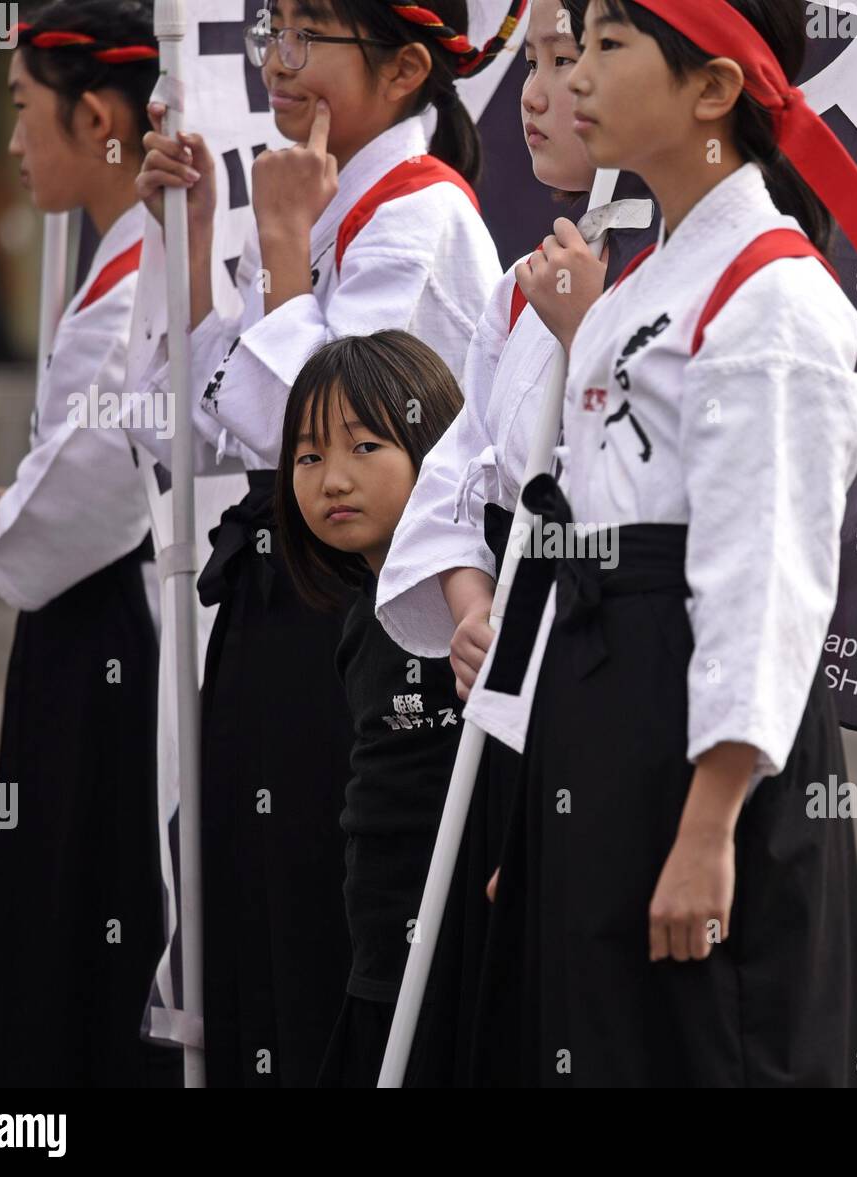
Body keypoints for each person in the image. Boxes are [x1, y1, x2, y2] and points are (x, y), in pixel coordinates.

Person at [469, 0, 857, 1086]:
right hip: (601, 719)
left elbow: (766, 576)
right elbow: (574, 533)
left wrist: (710, 822)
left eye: (607, 45)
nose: (572, 74)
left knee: (710, 1045)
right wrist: (540, 812)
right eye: (572, 44)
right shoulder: (645, 283)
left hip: (691, 743)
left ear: (714, 89)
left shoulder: (772, 295)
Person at [127, 0, 518, 1086]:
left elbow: (321, 437)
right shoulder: (339, 201)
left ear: (402, 70)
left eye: (307, 38)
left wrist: (287, 249)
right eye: (271, 34)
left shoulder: (421, 218)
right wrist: (201, 236)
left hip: (359, 621)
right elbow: (201, 418)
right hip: (286, 603)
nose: (279, 66)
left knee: (318, 931)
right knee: (253, 916)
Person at [373, 0, 657, 1080]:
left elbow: (646, 494)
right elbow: (453, 483)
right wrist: (469, 606)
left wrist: (589, 329)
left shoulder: (671, 287)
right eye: (533, 61)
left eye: (571, 58)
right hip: (502, 708)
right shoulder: (515, 284)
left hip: (603, 697)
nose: (541, 92)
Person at [0, 0, 178, 1088]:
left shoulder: (151, 259)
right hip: (95, 627)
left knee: (84, 900)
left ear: (97, 116)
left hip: (111, 637)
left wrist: (10, 513)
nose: (10, 143)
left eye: (22, 111)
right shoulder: (124, 256)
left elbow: (101, 485)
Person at [273, 330, 466, 1086]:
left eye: (365, 447)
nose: (333, 481)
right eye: (309, 456)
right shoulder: (359, 619)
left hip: (462, 941)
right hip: (381, 943)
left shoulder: (472, 608)